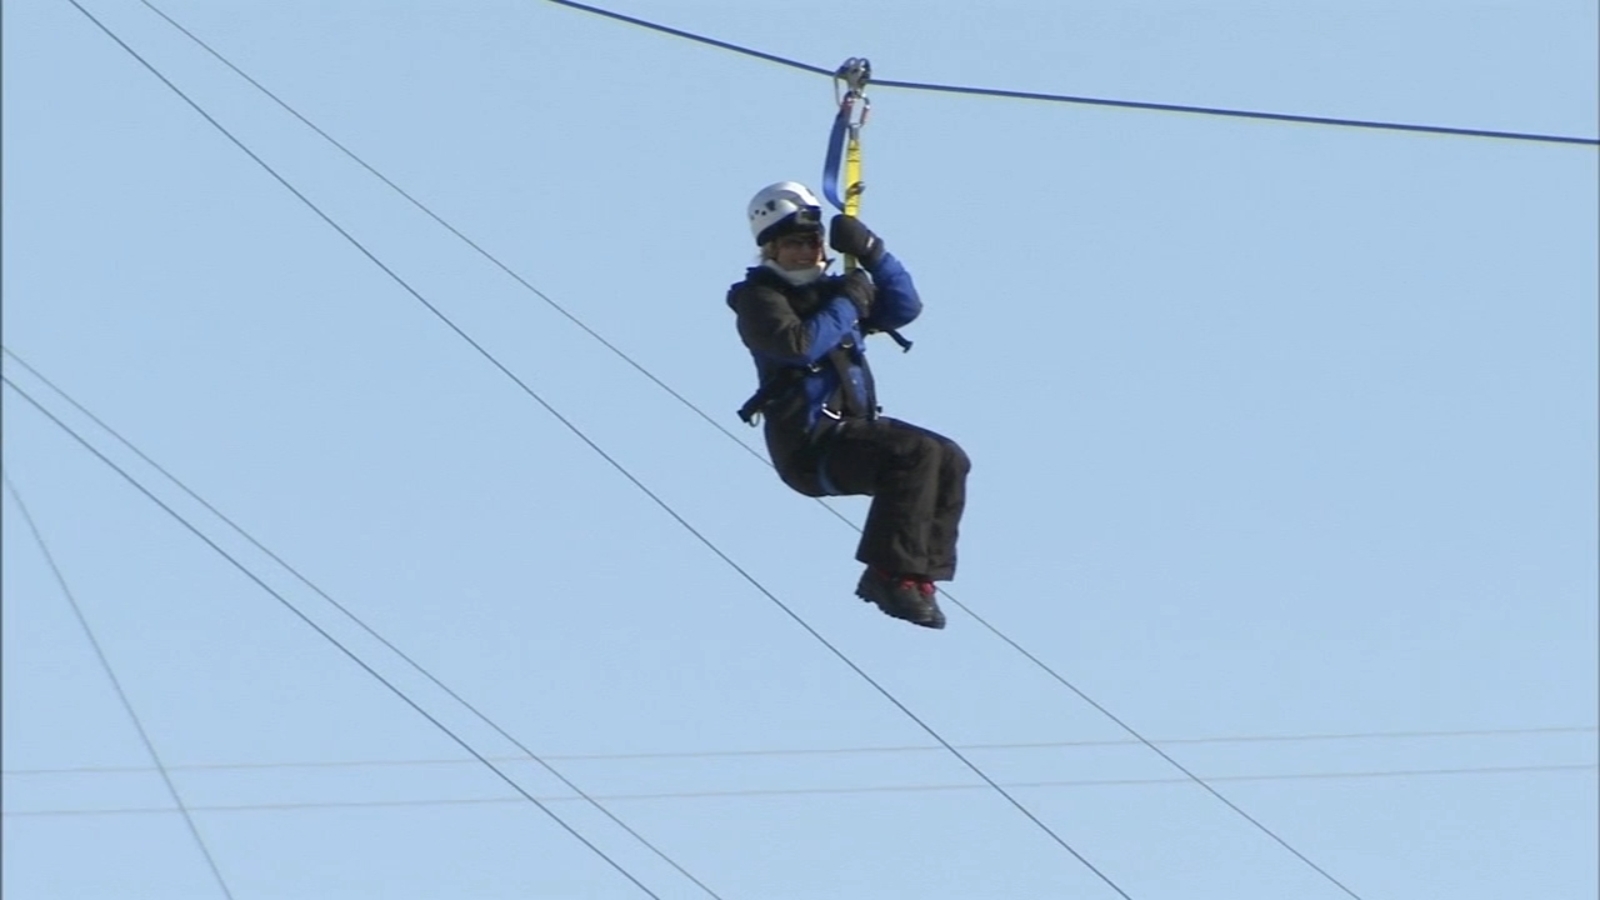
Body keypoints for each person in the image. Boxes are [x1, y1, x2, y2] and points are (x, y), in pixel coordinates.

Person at [726, 181, 970, 630]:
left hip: (853, 433)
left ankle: (917, 577)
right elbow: (798, 346)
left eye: (812, 243)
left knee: (949, 457)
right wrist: (849, 301)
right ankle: (885, 574)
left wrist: (874, 253)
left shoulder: (835, 294)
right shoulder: (759, 301)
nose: (805, 253)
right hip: (810, 447)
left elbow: (904, 307)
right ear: (771, 251)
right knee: (914, 455)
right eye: (793, 245)